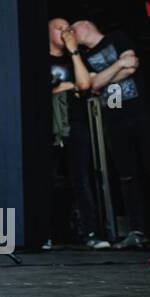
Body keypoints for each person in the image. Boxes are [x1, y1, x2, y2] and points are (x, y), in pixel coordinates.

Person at [71, 19, 150, 247]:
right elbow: (91, 85)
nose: (70, 33)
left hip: (140, 113)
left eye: (73, 28)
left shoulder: (117, 37)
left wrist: (103, 78)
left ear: (86, 25)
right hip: (114, 120)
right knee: (127, 176)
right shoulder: (84, 57)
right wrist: (118, 66)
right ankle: (138, 230)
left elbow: (132, 64)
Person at [48, 17, 109, 249]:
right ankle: (47, 234)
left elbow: (85, 85)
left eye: (68, 28)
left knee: (82, 178)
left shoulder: (75, 58)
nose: (66, 32)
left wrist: (74, 51)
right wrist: (64, 87)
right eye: (59, 28)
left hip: (76, 124)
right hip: (50, 126)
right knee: (48, 179)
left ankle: (91, 232)